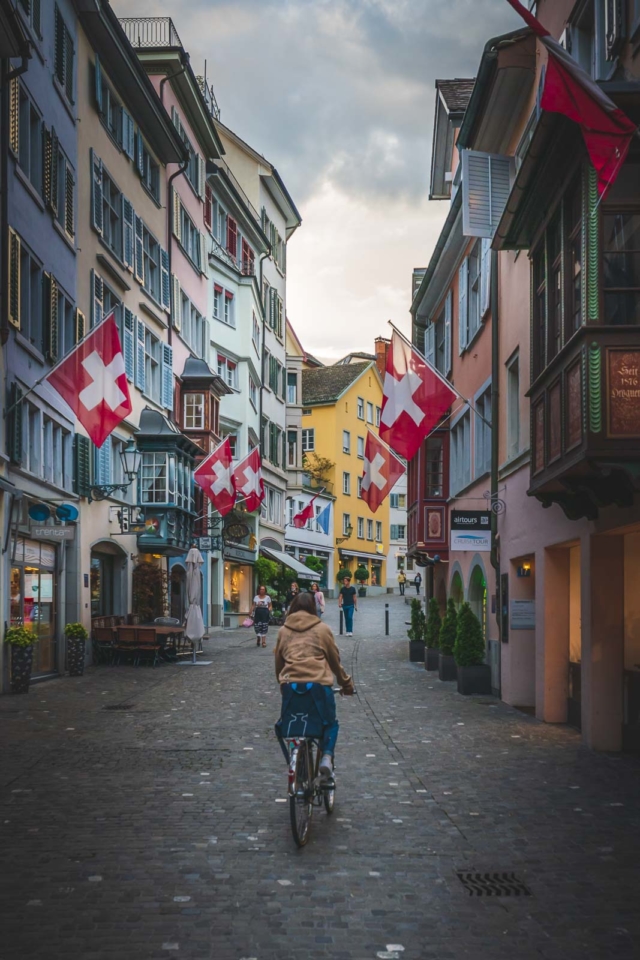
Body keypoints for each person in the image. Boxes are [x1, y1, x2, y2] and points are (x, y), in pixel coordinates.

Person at [275, 592, 354, 779]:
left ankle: (295, 760)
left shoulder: (283, 631)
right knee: (330, 724)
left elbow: (279, 663)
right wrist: (346, 683)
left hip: (291, 686)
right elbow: (335, 661)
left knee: (290, 724)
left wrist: (282, 681)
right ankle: (326, 757)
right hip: (318, 685)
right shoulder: (322, 629)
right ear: (313, 608)